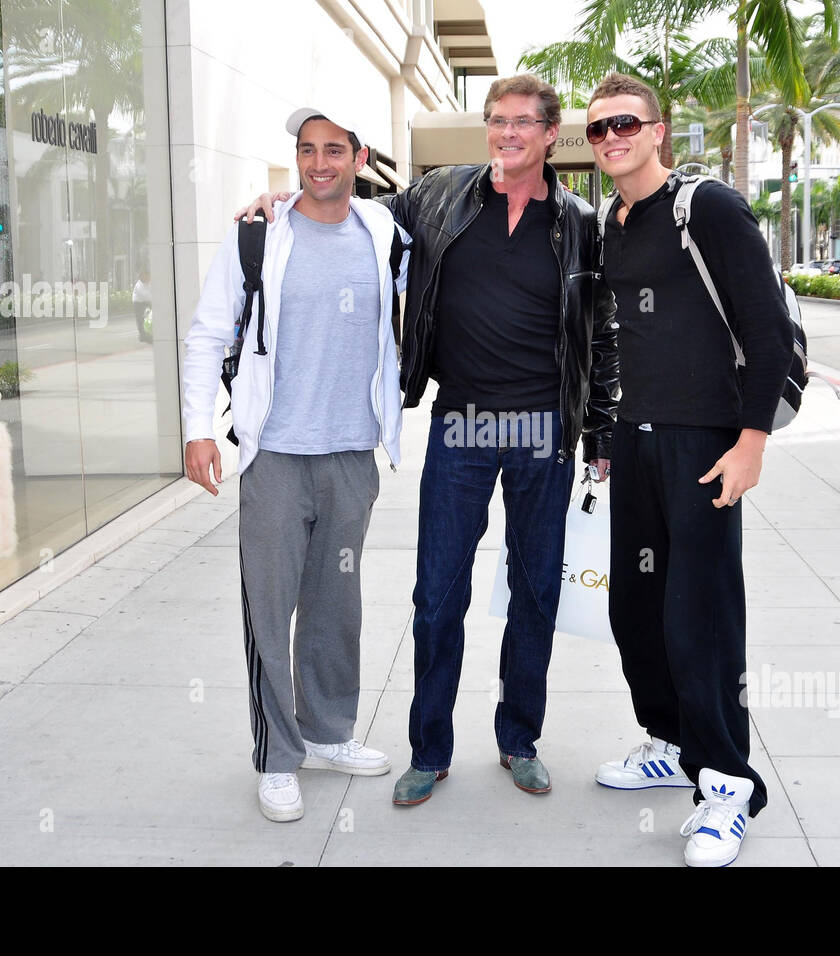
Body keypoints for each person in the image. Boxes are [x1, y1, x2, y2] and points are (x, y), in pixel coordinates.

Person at [238, 75, 619, 806]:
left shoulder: (579, 223)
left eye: (521, 124)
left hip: (544, 429)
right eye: (496, 122)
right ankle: (429, 749)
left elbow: (601, 334)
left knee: (536, 592)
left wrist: (599, 429)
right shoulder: (442, 195)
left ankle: (519, 739)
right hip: (461, 424)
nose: (506, 135)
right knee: (437, 596)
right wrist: (279, 202)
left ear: (549, 134)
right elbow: (350, 209)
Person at [585, 73, 794, 867]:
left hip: (704, 443)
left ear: (659, 129)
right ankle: (671, 742)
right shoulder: (616, 220)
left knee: (699, 618)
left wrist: (751, 443)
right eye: (600, 128)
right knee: (635, 610)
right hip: (634, 441)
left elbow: (767, 330)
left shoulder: (706, 207)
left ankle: (727, 785)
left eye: (626, 123)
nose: (613, 138)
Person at [182, 108, 410, 823]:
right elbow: (208, 330)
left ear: (359, 156)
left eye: (333, 150)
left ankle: (328, 732)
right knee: (269, 611)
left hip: (351, 453)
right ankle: (279, 757)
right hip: (275, 455)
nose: (318, 163)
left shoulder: (388, 233)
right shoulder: (260, 233)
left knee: (335, 608)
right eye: (307, 150)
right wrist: (197, 431)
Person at [132, 266, 152, 343]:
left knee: (149, 318)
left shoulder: (149, 283)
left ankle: (147, 334)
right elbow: (145, 296)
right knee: (140, 319)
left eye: (148, 275)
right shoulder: (138, 285)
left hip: (147, 301)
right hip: (138, 302)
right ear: (141, 276)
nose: (148, 278)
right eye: (145, 276)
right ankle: (143, 336)